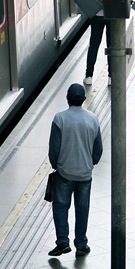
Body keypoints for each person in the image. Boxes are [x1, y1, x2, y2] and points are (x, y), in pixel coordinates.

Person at [48, 83, 103, 256]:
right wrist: (90, 163)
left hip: (65, 173)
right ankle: (81, 244)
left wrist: (56, 165)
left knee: (60, 206)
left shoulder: (60, 119)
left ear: (67, 99)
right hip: (85, 174)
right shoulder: (92, 118)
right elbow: (98, 148)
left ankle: (63, 242)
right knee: (82, 208)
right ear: (84, 99)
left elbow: (54, 149)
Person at [84, 0, 111, 86]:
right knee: (111, 46)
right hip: (111, 14)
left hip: (96, 14)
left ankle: (89, 76)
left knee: (93, 45)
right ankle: (111, 77)